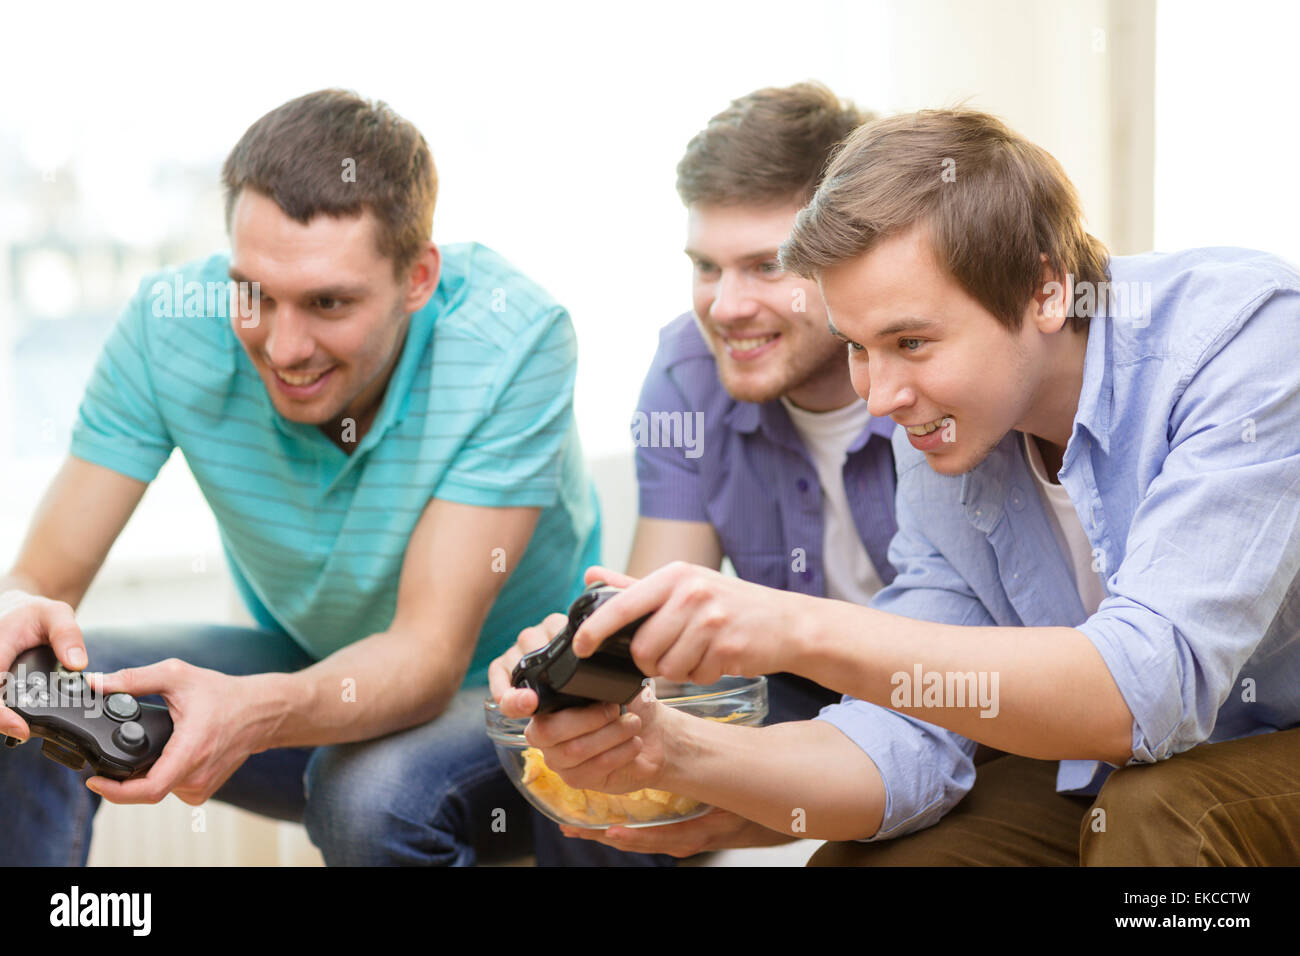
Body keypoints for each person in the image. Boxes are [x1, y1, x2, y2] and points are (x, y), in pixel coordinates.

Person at [503, 108, 1300, 865]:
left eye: (911, 341)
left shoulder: (1242, 340)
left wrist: (791, 627)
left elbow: (1148, 689)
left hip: (1256, 741)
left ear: (1047, 290)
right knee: (871, 859)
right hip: (1123, 764)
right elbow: (908, 738)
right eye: (856, 346)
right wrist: (669, 748)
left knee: (1160, 812)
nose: (878, 399)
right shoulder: (947, 431)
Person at [0, 89, 600, 867]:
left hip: (510, 704)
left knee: (369, 798)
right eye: (254, 293)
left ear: (418, 278)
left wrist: (255, 711)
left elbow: (424, 657)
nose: (284, 347)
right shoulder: (168, 327)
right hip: (314, 668)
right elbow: (42, 576)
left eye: (328, 303)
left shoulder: (512, 342)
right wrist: (15, 611)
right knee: (28, 687)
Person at [491, 82, 899, 863]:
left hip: (941, 687)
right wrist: (584, 658)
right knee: (596, 758)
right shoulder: (686, 370)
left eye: (767, 265)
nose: (726, 306)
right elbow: (656, 618)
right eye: (706, 266)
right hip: (800, 684)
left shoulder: (929, 377)